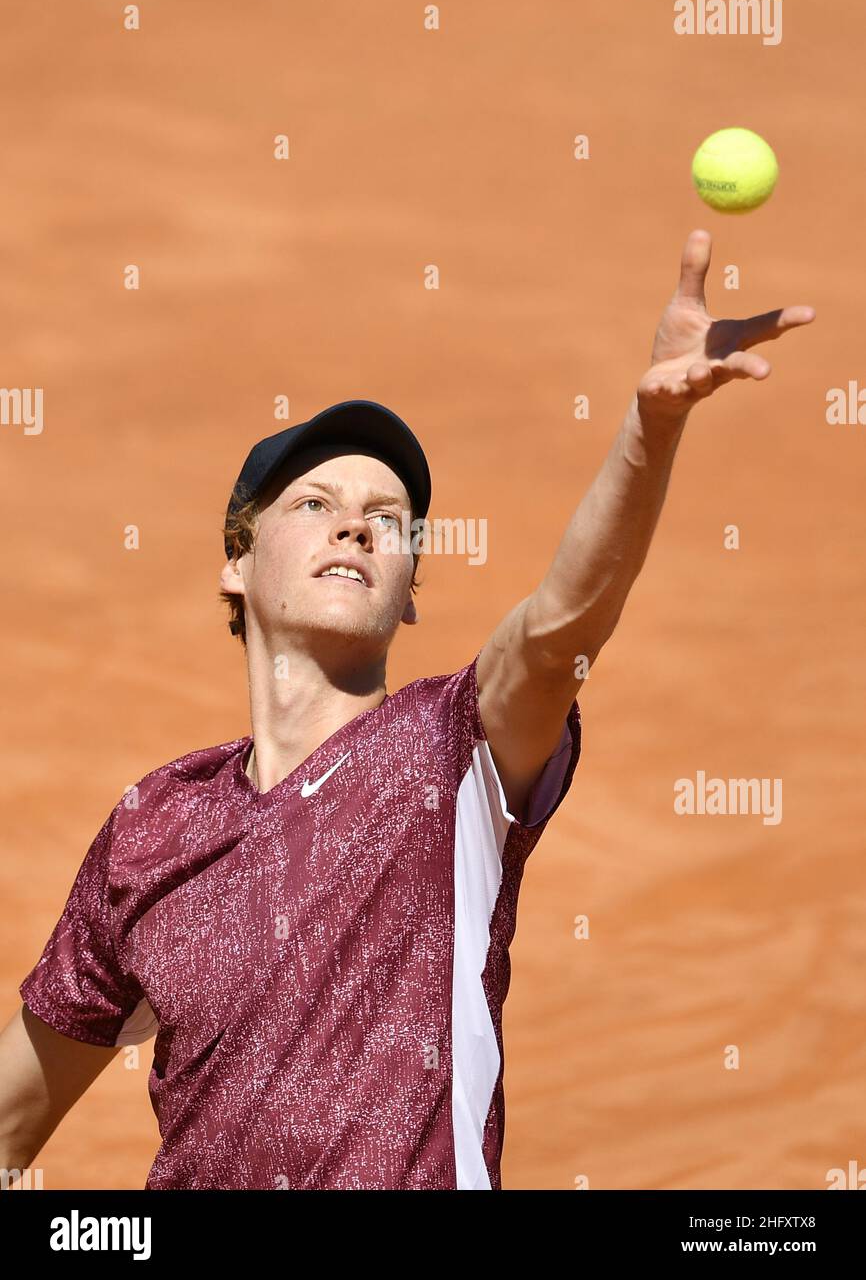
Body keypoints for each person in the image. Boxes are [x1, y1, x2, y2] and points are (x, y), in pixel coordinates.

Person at [0, 231, 815, 1190]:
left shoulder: (450, 753)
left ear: (409, 594)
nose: (355, 523)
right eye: (313, 504)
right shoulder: (154, 827)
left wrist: (649, 431)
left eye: (388, 521)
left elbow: (558, 628)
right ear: (236, 562)